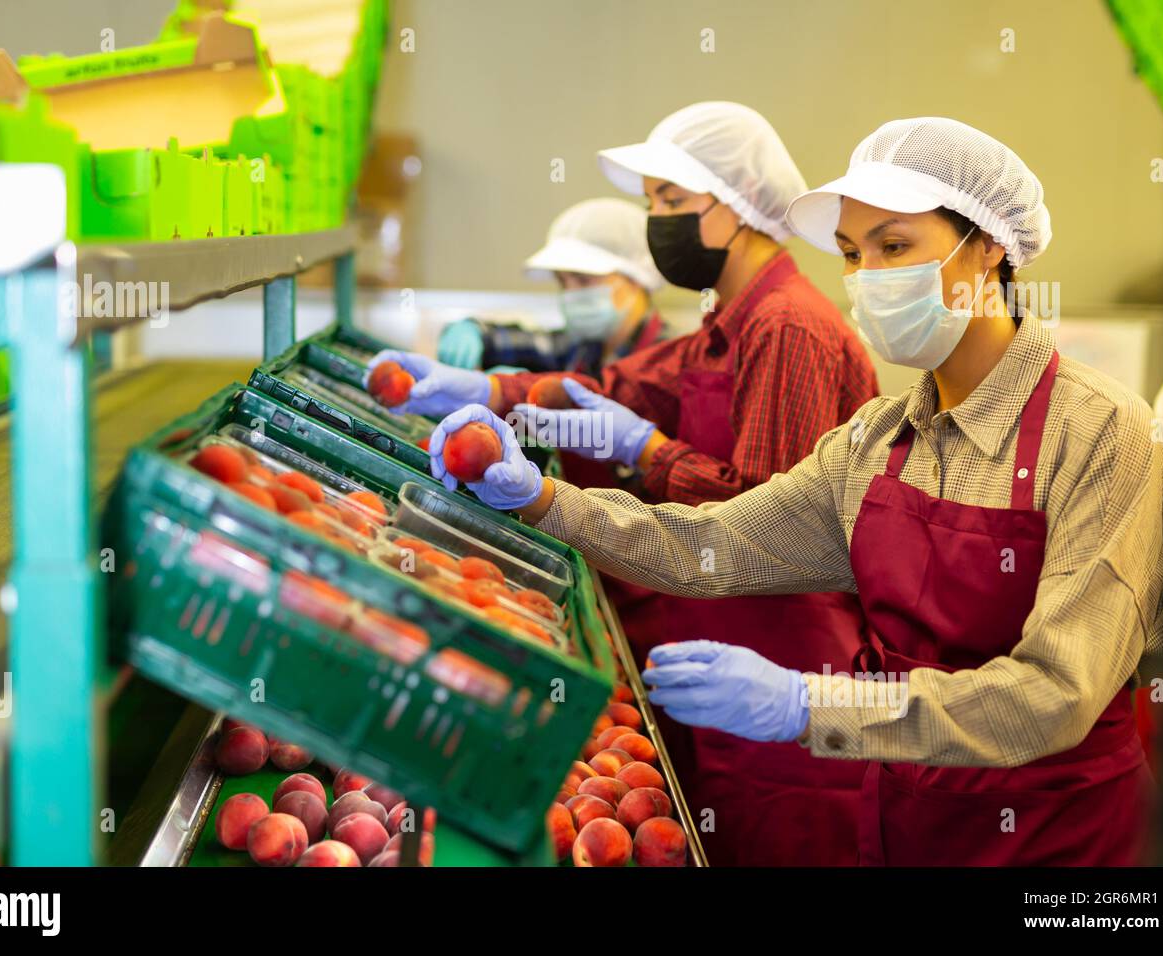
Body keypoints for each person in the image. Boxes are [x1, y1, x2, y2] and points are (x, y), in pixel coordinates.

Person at [426, 117, 1163, 866]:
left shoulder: (1101, 433)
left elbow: (1054, 696)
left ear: (988, 248)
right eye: (851, 255)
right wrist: (540, 501)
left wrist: (806, 704)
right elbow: (710, 546)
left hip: (1057, 847)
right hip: (902, 825)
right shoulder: (876, 441)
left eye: (894, 246)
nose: (866, 278)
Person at [373, 102, 880, 866]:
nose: (658, 221)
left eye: (673, 202)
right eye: (651, 203)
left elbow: (773, 527)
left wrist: (646, 452)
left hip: (786, 665)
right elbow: (611, 386)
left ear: (738, 205)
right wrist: (482, 390)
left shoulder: (788, 327)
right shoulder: (724, 325)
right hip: (722, 647)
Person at [437, 198, 668, 374]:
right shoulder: (583, 349)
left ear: (636, 277)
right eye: (562, 281)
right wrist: (473, 331)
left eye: (584, 279)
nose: (571, 294)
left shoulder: (667, 359)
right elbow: (524, 342)